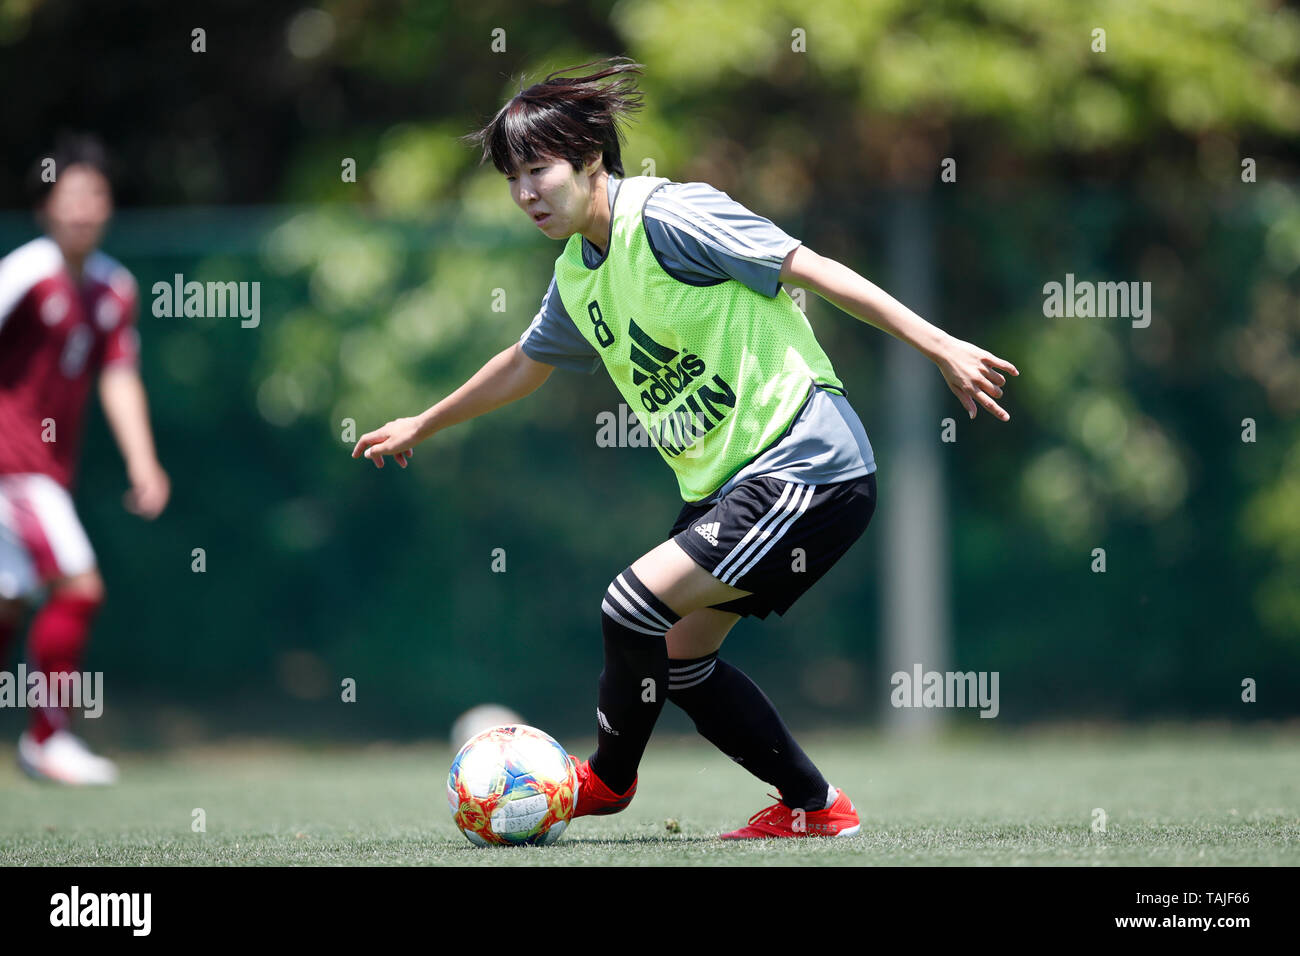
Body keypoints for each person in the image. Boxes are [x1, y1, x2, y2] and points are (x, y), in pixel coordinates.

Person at [353, 58, 1017, 838]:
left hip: (805, 465)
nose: (526, 193)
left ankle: (607, 781)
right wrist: (422, 423)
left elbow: (815, 268)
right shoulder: (577, 273)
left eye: (539, 170)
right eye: (513, 178)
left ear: (592, 158)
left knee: (627, 604)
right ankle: (817, 809)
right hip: (737, 487)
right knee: (674, 658)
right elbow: (524, 364)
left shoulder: (672, 217)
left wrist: (938, 344)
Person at [0, 134, 170, 784]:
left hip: (45, 472)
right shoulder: (25, 273)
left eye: (94, 194)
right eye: (68, 194)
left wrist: (143, 462)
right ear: (45, 206)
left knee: (8, 605)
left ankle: (44, 738)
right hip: (10, 469)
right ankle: (48, 740)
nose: (81, 208)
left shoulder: (112, 288)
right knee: (79, 584)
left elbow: (119, 377)